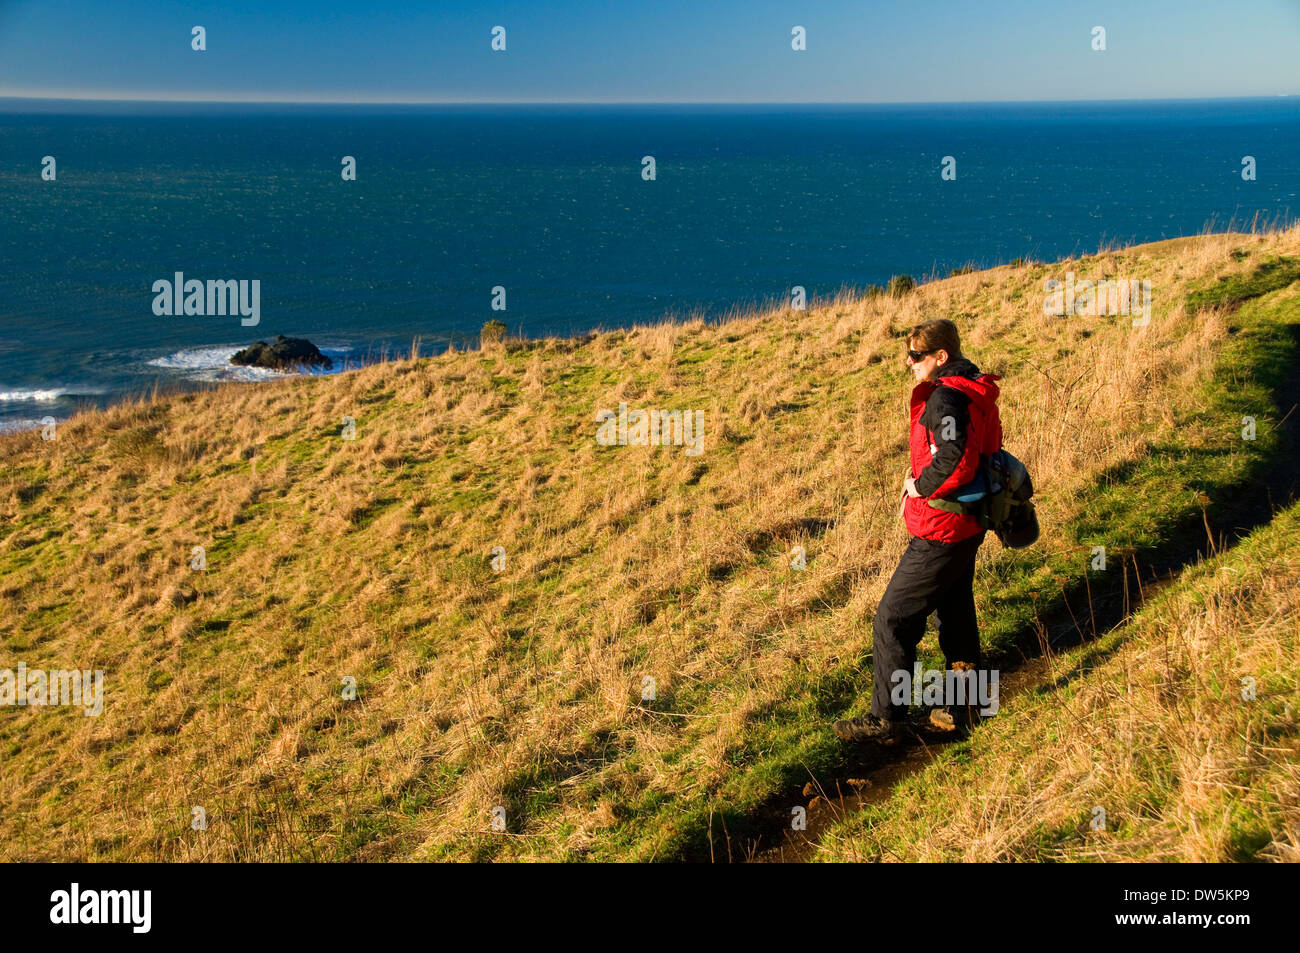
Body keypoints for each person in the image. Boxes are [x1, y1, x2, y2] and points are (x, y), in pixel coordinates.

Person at [835, 318, 1002, 743]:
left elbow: (955, 457)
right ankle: (968, 705)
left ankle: (886, 719)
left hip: (942, 527)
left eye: (915, 356)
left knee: (892, 617)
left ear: (940, 357)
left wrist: (919, 486)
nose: (908, 363)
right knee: (956, 613)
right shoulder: (972, 386)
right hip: (969, 521)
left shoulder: (946, 397)